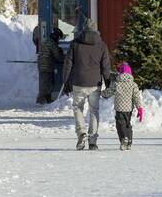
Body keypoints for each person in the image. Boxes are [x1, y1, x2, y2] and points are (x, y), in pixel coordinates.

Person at [61, 19, 112, 150]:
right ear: (96, 29)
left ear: (83, 29)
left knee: (78, 108)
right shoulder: (102, 45)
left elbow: (68, 64)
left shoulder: (75, 44)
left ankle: (81, 133)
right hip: (95, 83)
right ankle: (93, 140)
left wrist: (66, 81)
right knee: (94, 111)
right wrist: (109, 83)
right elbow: (105, 67)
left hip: (78, 82)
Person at [103, 62, 144, 150]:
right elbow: (136, 97)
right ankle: (129, 142)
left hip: (119, 108)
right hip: (129, 109)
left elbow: (108, 92)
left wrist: (102, 93)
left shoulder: (117, 84)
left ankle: (124, 138)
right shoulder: (133, 85)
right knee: (127, 124)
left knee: (120, 125)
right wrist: (139, 108)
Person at [31, 23, 65, 105]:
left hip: (43, 65)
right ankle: (40, 101)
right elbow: (57, 56)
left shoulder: (47, 41)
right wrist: (63, 56)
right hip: (47, 66)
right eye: (59, 38)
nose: (59, 40)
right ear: (56, 37)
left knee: (47, 83)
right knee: (46, 84)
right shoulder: (52, 43)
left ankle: (47, 99)